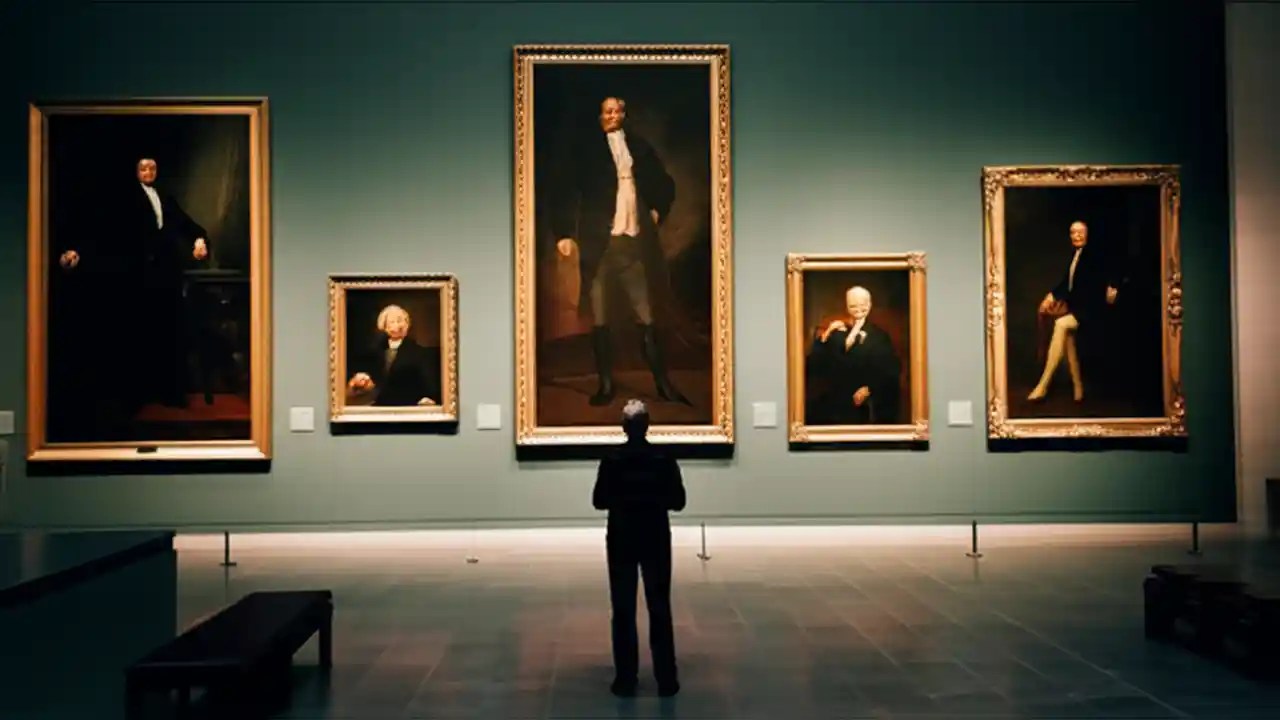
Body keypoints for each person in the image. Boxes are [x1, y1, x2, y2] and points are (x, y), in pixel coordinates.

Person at [552, 96, 689, 407]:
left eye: (617, 111)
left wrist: (656, 209)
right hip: (600, 247)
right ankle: (606, 385)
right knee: (600, 317)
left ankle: (663, 383)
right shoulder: (584, 150)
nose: (612, 116)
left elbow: (664, 182)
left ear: (623, 114)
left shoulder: (638, 147)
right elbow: (564, 188)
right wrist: (563, 232)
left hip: (632, 246)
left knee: (647, 316)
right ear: (599, 116)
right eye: (606, 111)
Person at [58, 157, 210, 409]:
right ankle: (134, 396)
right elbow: (101, 229)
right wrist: (77, 251)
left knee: (168, 333)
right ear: (135, 172)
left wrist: (199, 240)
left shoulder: (166, 198)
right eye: (143, 168)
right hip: (135, 276)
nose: (148, 172)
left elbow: (188, 225)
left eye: (152, 168)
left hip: (164, 276)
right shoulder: (123, 198)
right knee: (135, 335)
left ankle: (168, 392)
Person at [592, 399, 687, 697]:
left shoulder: (612, 459)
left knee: (622, 609)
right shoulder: (663, 458)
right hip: (655, 536)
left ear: (624, 426)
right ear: (647, 425)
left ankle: (625, 678)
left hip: (622, 536)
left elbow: (598, 500)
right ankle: (666, 678)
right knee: (659, 606)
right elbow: (678, 501)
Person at [1027, 220, 1119, 403]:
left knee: (1061, 324)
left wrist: (1113, 286)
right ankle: (1079, 389)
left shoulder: (1094, 254)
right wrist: (1050, 296)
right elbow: (1066, 284)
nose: (1076, 236)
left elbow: (1114, 267)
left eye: (1080, 232)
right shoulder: (1075, 256)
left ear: (1087, 234)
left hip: (1093, 309)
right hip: (1078, 308)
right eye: (1073, 232)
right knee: (1068, 341)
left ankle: (1043, 385)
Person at [805, 286, 902, 425]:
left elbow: (890, 369)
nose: (858, 309)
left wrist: (869, 388)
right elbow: (815, 363)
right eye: (853, 305)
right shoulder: (837, 332)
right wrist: (827, 333)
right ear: (847, 306)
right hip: (834, 401)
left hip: (863, 404)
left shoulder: (879, 336)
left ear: (869, 305)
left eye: (862, 305)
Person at [348, 304, 441, 407]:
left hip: (406, 407)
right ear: (385, 326)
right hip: (378, 408)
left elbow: (428, 384)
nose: (397, 325)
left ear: (407, 324)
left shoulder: (419, 353)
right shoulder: (375, 352)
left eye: (400, 321)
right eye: (392, 322)